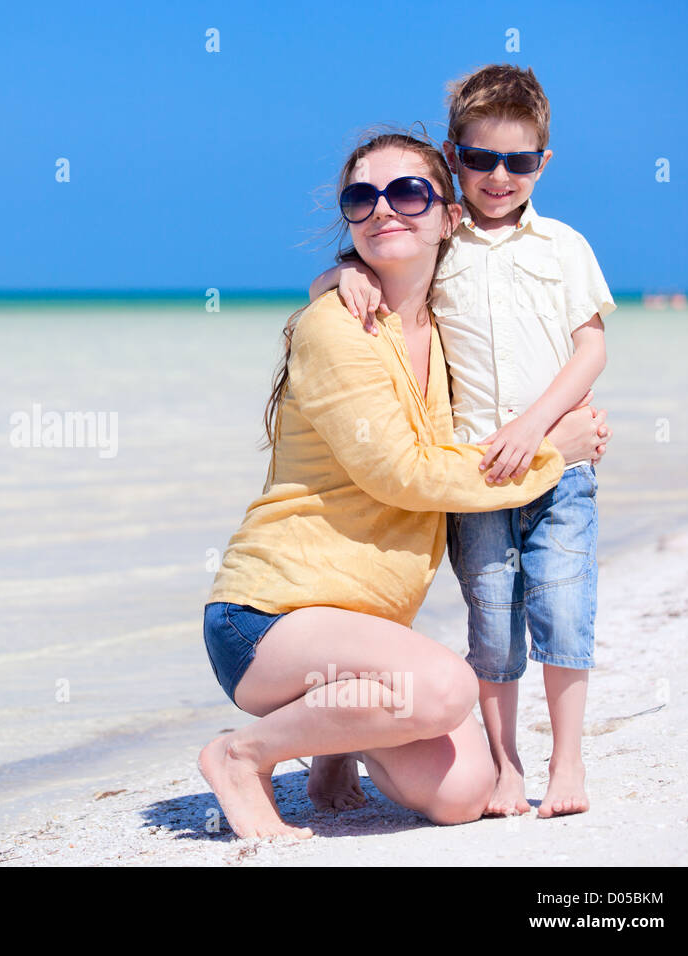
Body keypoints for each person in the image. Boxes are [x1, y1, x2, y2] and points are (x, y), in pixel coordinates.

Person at [198, 130, 611, 840]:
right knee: (444, 686)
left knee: (463, 793)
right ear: (349, 219)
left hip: (359, 639)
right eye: (362, 197)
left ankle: (332, 739)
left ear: (450, 216)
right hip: (265, 622)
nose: (383, 209)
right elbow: (406, 474)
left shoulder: (443, 329)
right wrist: (551, 454)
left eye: (409, 193)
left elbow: (544, 345)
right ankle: (242, 756)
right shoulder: (337, 328)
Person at [311, 66, 614, 819]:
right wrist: (341, 272)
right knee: (493, 622)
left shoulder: (564, 246)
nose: (499, 177)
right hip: (473, 476)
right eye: (479, 160)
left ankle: (567, 764)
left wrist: (537, 424)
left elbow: (591, 350)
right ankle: (507, 766)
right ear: (455, 156)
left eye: (518, 162)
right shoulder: (444, 241)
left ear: (543, 161)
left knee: (566, 614)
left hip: (561, 469)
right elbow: (386, 260)